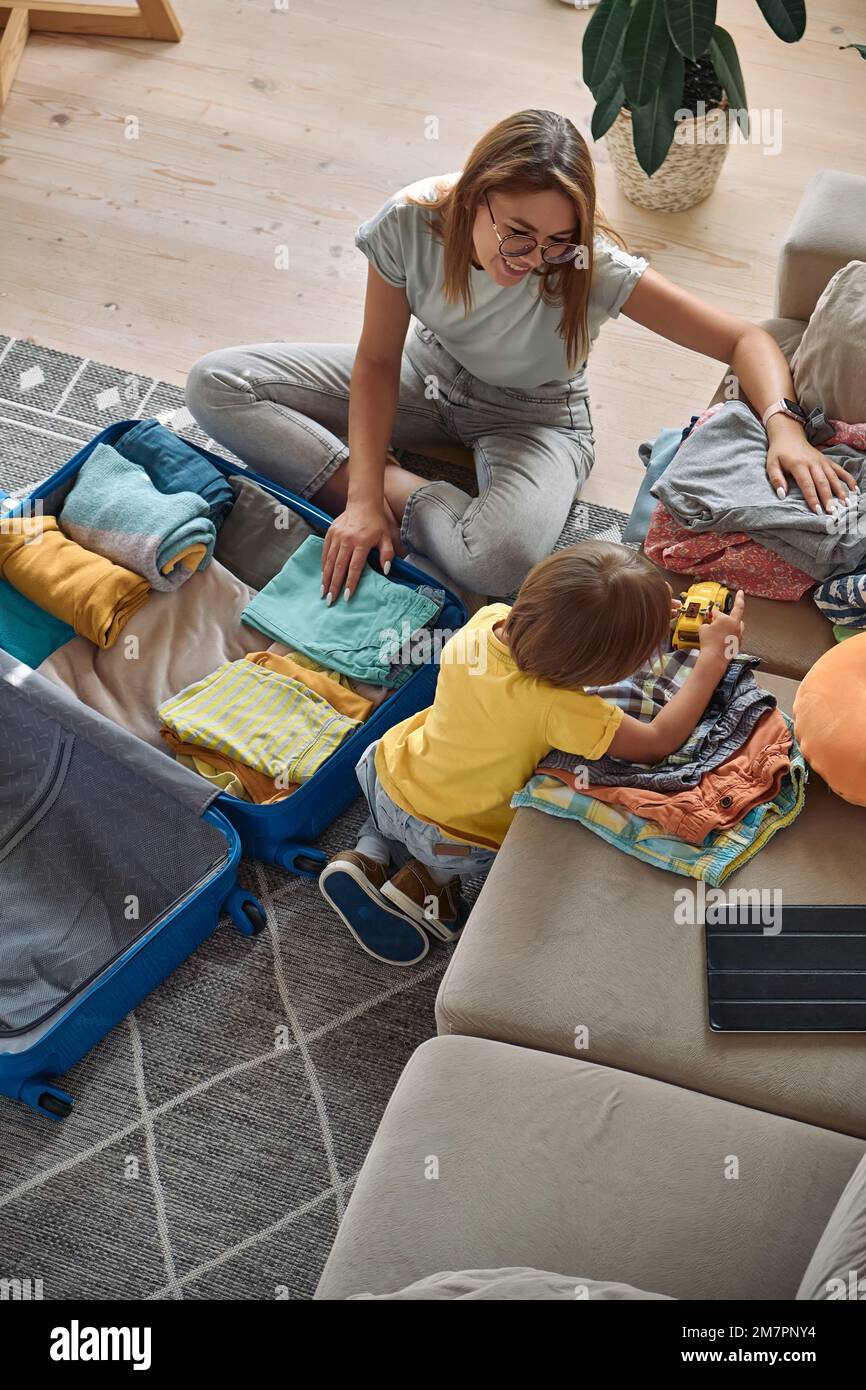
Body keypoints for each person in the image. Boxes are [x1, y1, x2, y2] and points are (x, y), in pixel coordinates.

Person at [185, 109, 855, 604]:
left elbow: (746, 340)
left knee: (501, 565)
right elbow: (378, 364)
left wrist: (783, 424)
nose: (536, 260)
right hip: (425, 375)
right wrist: (358, 499)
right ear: (473, 199)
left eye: (557, 240)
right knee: (216, 384)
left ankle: (398, 487)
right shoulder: (410, 222)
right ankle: (373, 484)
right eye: (519, 234)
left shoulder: (591, 266)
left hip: (535, 418)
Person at [317, 541, 746, 966]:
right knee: (450, 846)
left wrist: (639, 613)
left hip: (386, 775)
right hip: (456, 840)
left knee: (398, 801)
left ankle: (367, 855)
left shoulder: (487, 621)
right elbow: (658, 741)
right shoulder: (564, 709)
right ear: (603, 671)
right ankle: (429, 883)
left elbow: (573, 616)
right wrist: (712, 660)